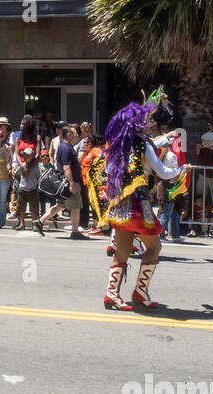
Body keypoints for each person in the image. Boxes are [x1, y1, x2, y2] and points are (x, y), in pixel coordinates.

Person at [101, 91, 185, 311]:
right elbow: (165, 173)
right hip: (139, 205)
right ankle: (140, 291)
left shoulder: (120, 146)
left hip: (120, 204)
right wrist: (183, 169)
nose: (150, 123)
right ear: (138, 126)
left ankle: (111, 294)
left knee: (122, 252)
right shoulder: (144, 146)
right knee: (154, 247)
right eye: (146, 121)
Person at [41, 124, 85, 239]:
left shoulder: (67, 146)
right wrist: (72, 184)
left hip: (67, 182)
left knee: (60, 206)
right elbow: (66, 167)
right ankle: (75, 232)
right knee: (75, 207)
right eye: (73, 132)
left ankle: (39, 222)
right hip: (69, 183)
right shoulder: (65, 148)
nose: (76, 134)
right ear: (68, 135)